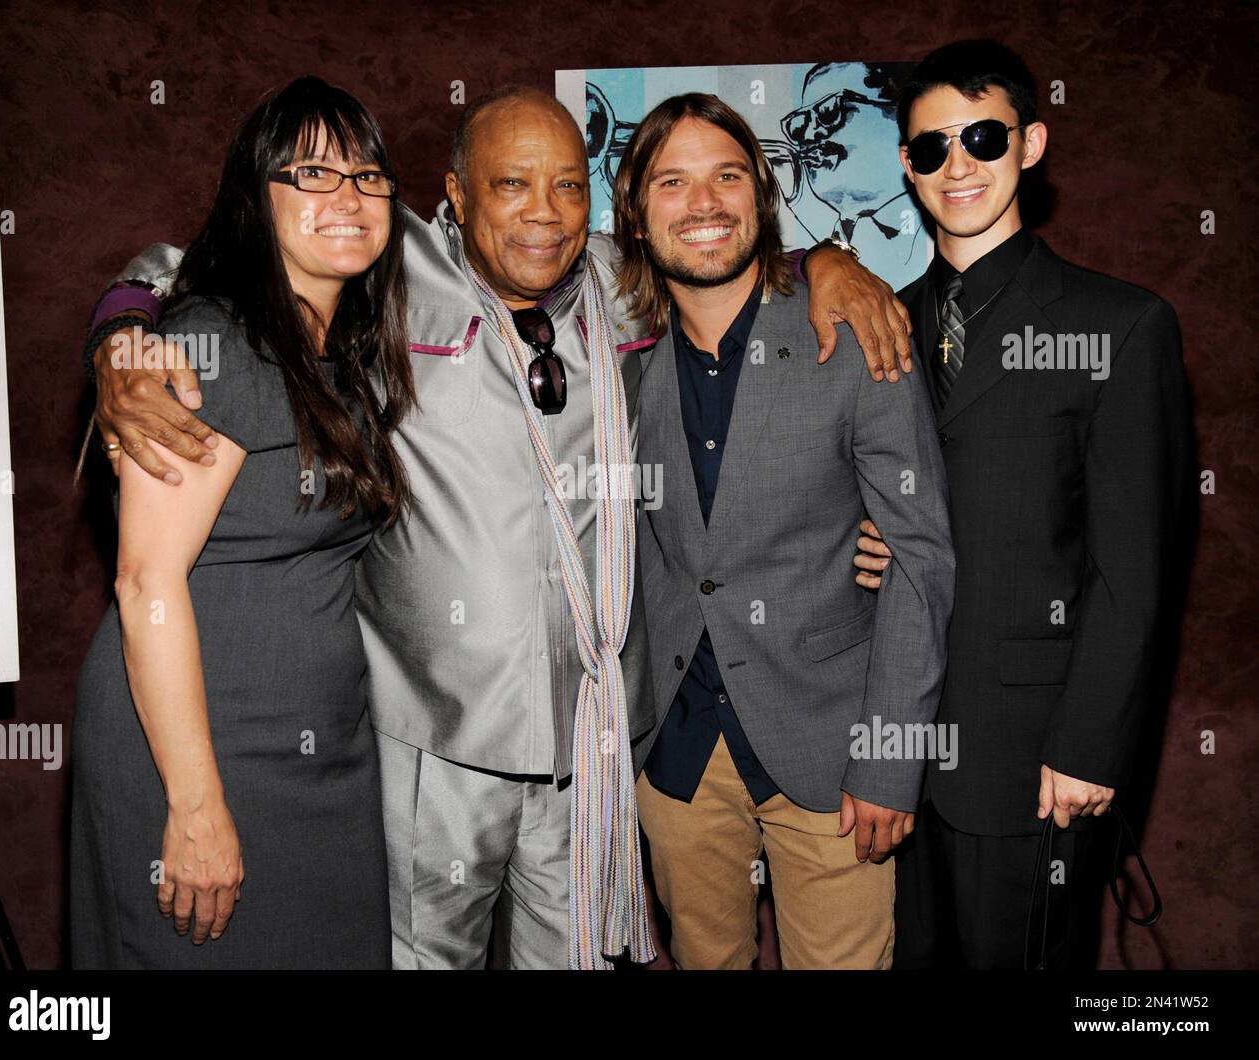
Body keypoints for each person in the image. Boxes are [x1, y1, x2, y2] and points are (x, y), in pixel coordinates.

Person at [81, 84, 913, 969]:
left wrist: (829, 259)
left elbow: (727, 257)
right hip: (430, 743)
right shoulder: (390, 263)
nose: (543, 215)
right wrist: (122, 332)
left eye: (567, 186)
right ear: (456, 195)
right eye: (512, 185)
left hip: (583, 748)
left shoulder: (622, 285)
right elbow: (194, 258)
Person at [853, 39, 1191, 969]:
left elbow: (1138, 570)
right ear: (906, 166)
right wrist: (862, 543)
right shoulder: (882, 323)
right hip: (897, 755)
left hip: (1035, 757)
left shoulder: (1121, 324)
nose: (957, 165)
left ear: (1031, 144)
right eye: (930, 148)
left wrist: (1092, 746)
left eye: (983, 137)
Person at [70, 76, 415, 968]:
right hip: (201, 751)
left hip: (318, 753)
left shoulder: (339, 357)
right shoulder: (203, 350)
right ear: (254, 199)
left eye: (368, 175)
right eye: (312, 172)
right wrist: (193, 805)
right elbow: (146, 579)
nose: (348, 195)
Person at [615, 93, 955, 969]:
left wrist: (890, 759)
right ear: (638, 215)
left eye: (728, 176)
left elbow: (920, 557)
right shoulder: (620, 368)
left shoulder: (853, 333)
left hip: (833, 754)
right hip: (680, 758)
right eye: (673, 182)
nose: (704, 203)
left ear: (761, 195)